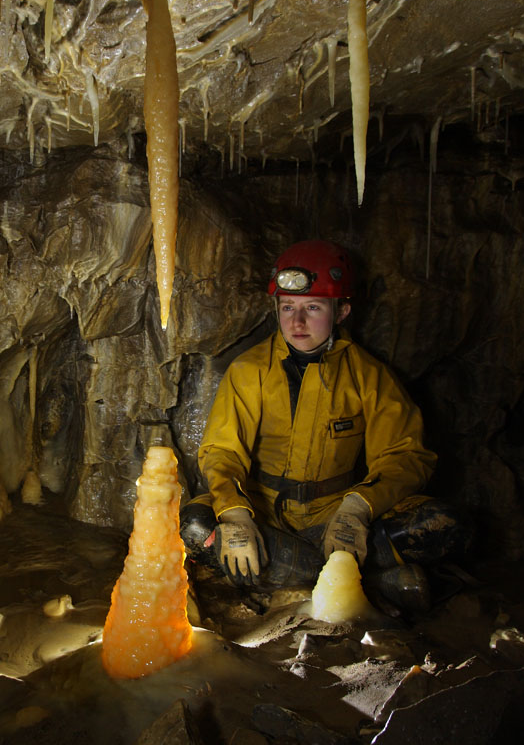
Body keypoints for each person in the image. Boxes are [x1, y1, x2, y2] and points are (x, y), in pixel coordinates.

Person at [181, 240, 466, 614]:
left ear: (341, 310)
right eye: (288, 308)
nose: (297, 323)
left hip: (337, 515)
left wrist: (357, 509)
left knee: (445, 523)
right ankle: (365, 582)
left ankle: (300, 578)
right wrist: (235, 512)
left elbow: (407, 456)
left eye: (312, 308)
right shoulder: (248, 371)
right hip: (265, 515)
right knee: (194, 526)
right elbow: (222, 451)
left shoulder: (368, 375)